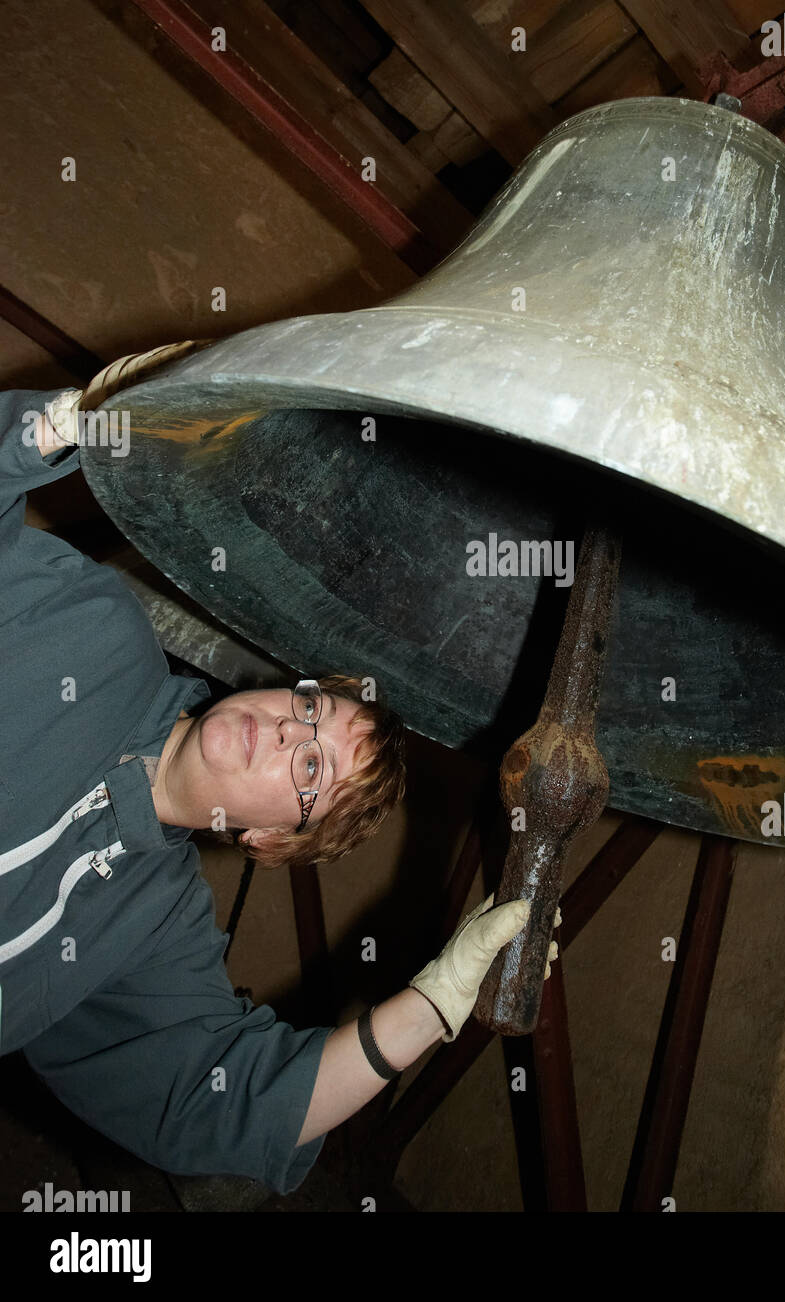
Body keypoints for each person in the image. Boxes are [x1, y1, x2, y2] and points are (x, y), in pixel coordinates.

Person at [0, 358, 546, 1193]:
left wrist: (434, 1002)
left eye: (309, 766)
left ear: (267, 840)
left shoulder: (152, 937)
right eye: (308, 709)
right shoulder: (96, 631)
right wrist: (57, 424)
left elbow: (216, 1104)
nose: (288, 728)